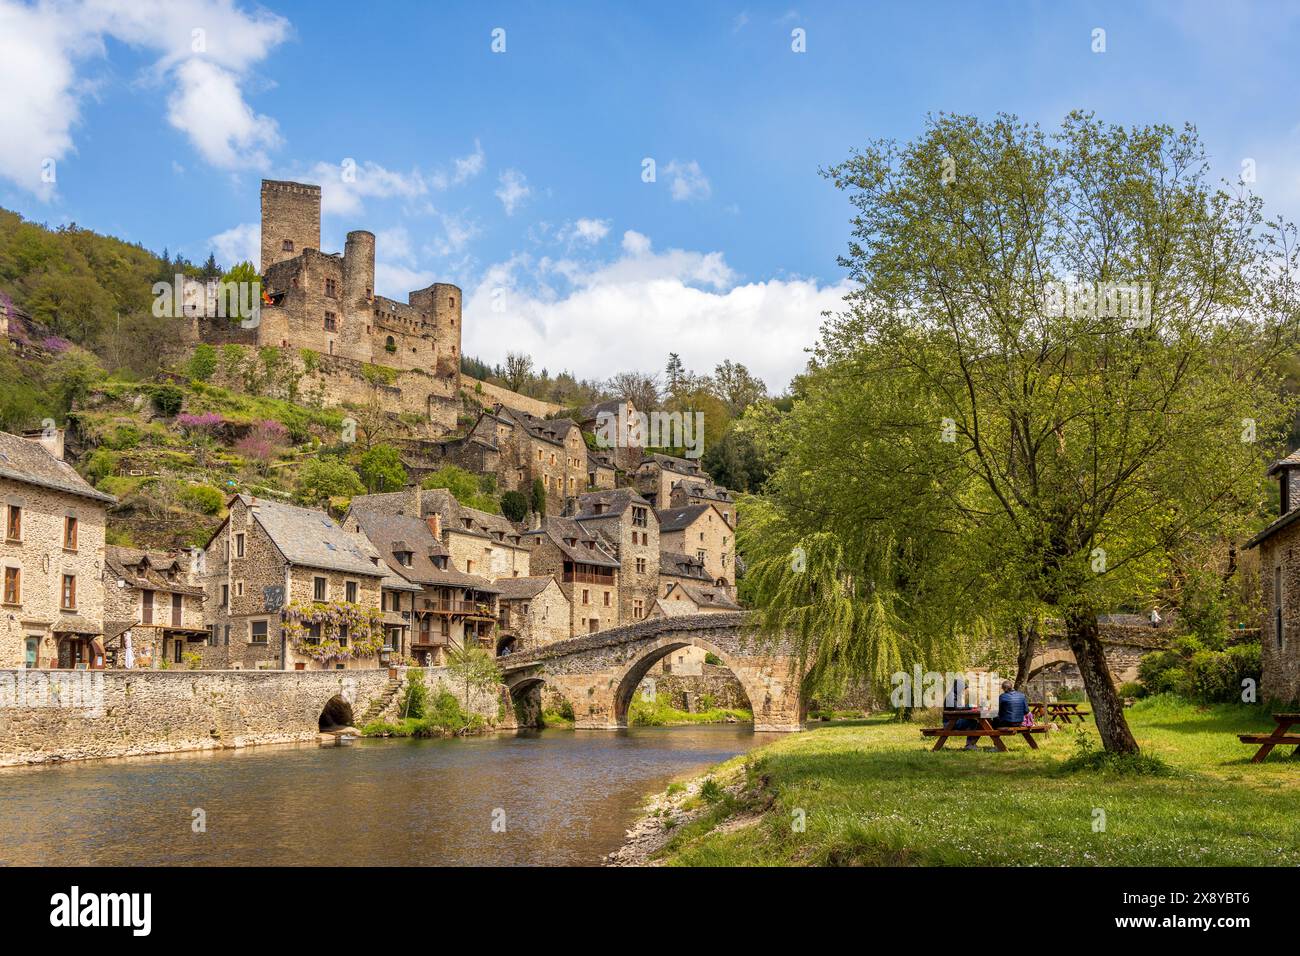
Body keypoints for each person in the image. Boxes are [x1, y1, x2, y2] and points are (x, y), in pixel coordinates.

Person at [958, 679, 1030, 750]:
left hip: (1006, 723)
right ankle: (976, 744)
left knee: (984, 723)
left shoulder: (1002, 697)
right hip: (1019, 723)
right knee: (987, 722)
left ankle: (992, 745)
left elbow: (996, 711)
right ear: (1012, 686)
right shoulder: (1022, 696)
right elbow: (1026, 711)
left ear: (1003, 689)